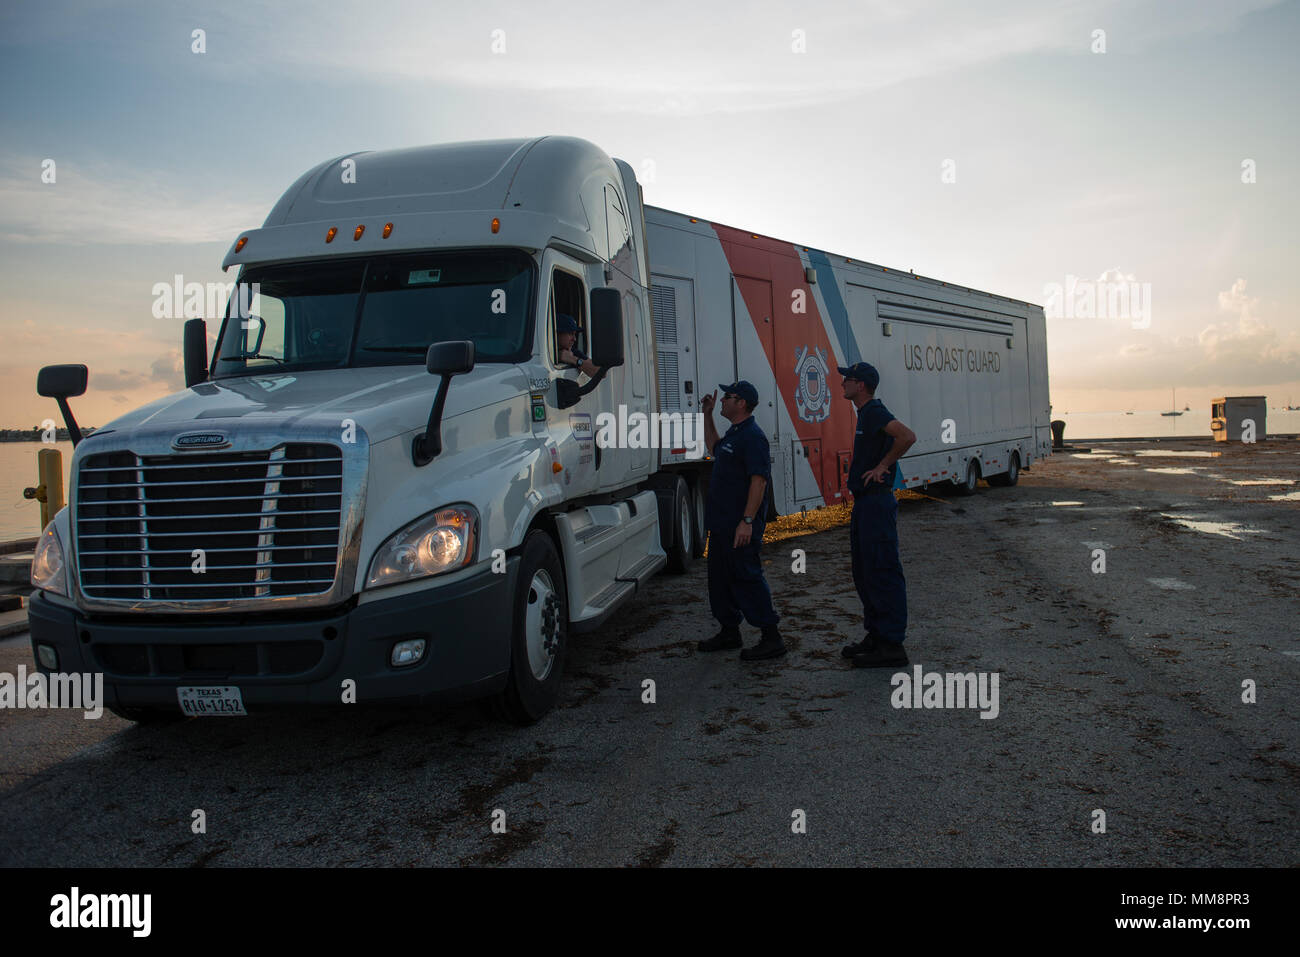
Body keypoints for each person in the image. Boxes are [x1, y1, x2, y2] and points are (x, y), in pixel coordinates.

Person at [696, 380, 787, 660]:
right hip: (722, 525)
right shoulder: (735, 434)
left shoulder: (752, 437)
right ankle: (729, 631)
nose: (721, 400)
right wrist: (707, 415)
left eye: (728, 397)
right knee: (720, 580)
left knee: (747, 577)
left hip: (739, 526)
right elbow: (714, 448)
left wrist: (747, 521)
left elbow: (758, 482)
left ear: (742, 403)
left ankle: (772, 637)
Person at [839, 361, 916, 668]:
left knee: (882, 571)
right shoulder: (865, 414)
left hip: (876, 503)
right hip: (865, 504)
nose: (843, 383)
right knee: (865, 571)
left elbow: (907, 436)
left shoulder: (874, 411)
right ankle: (876, 634)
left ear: (862, 385)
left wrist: (884, 466)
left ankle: (892, 645)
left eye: (848, 379)